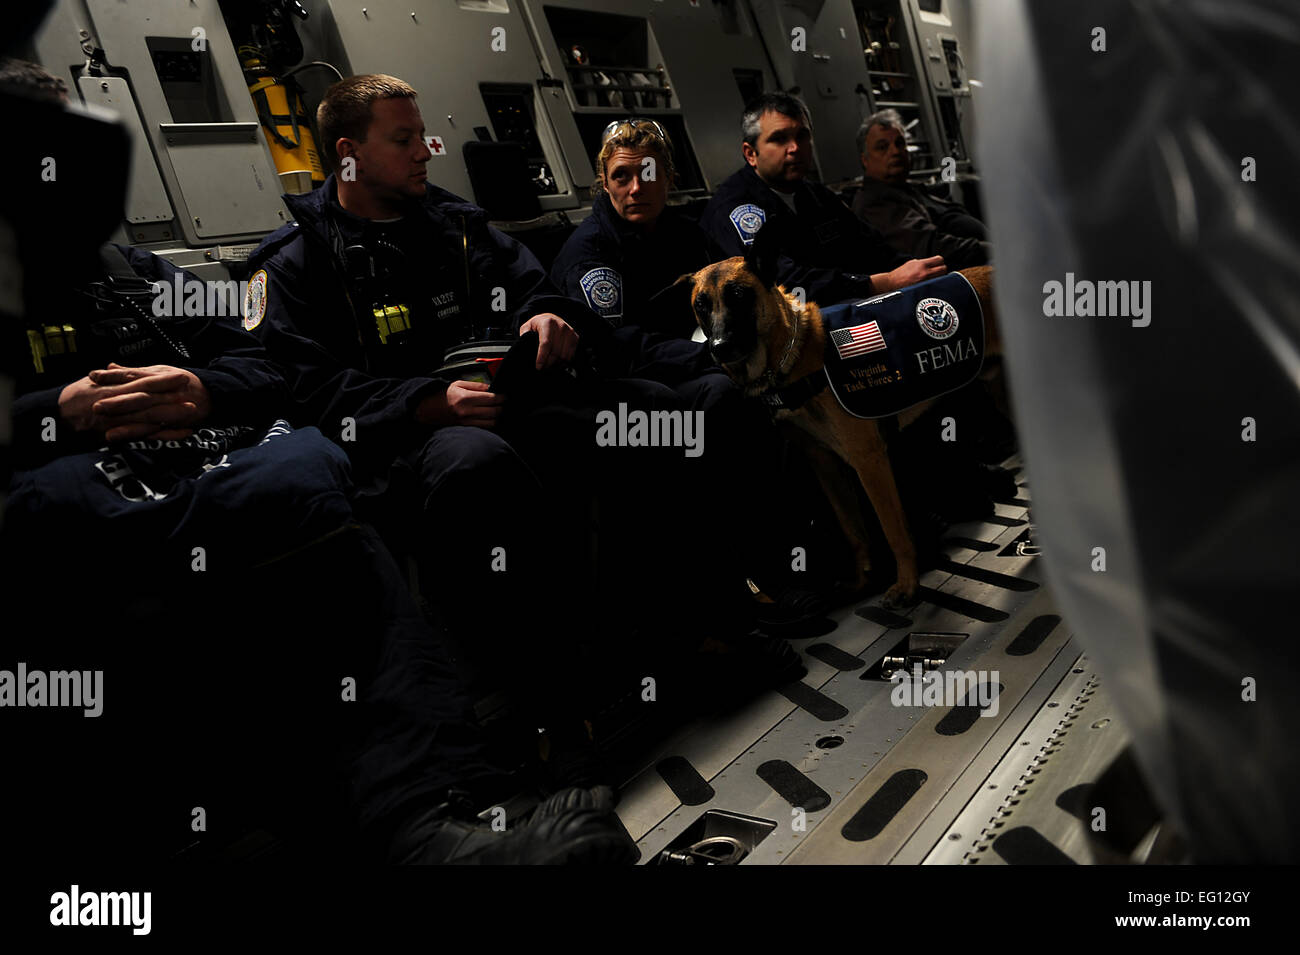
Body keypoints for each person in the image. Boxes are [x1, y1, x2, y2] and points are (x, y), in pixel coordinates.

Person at [1, 57, 637, 865]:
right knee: (352, 487)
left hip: (220, 487)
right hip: (73, 515)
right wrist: (55, 411)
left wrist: (200, 386)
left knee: (315, 500)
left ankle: (447, 799)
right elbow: (306, 379)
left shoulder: (133, 273)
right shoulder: (294, 259)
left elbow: (258, 370)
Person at [700, 91, 947, 307]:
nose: (795, 147)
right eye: (779, 139)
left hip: (840, 307)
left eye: (802, 136)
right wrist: (877, 284)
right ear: (751, 153)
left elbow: (872, 248)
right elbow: (783, 284)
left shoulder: (816, 196)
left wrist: (926, 270)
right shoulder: (734, 209)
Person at [852, 109, 991, 269]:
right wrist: (994, 249)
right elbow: (931, 246)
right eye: (883, 147)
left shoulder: (909, 188)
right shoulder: (873, 202)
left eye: (899, 143)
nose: (895, 151)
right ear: (865, 160)